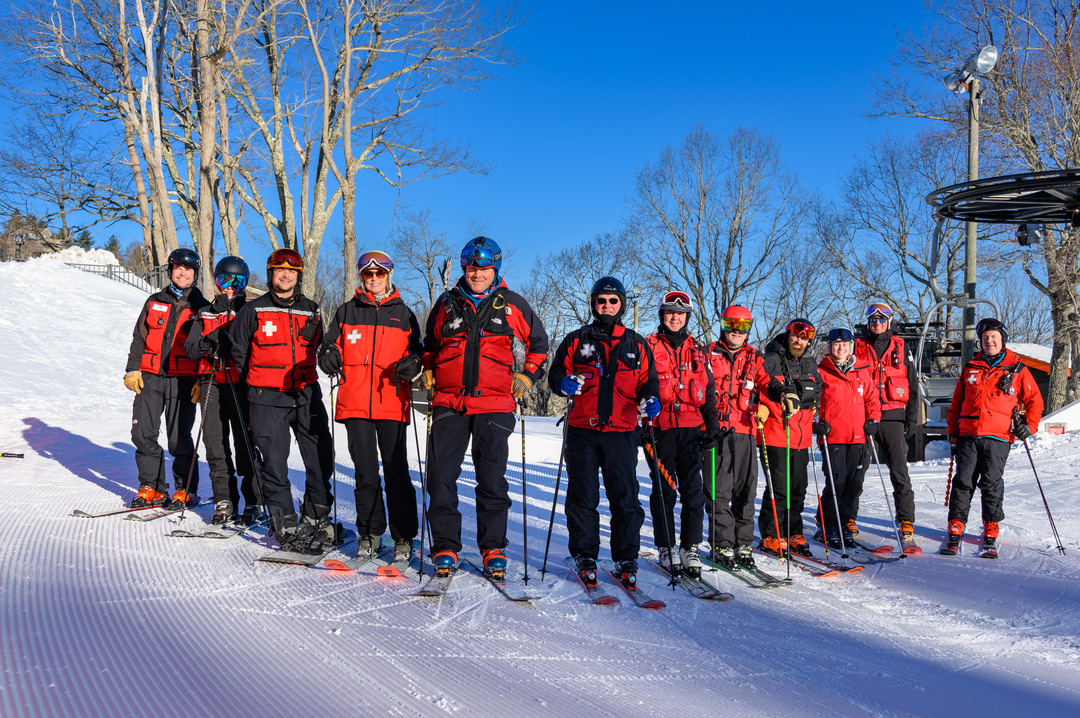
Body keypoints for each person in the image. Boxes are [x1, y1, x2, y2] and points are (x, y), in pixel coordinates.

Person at [421, 237, 548, 577]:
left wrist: (527, 375)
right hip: (450, 402)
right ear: (465, 268)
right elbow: (430, 345)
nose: (478, 274)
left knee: (491, 478)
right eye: (472, 268)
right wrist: (429, 367)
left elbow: (539, 343)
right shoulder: (446, 303)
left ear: (496, 269)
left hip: (494, 404)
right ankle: (445, 545)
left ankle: (492, 546)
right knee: (441, 476)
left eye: (484, 268)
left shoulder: (511, 304)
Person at [548, 276, 660, 588]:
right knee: (583, 497)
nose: (607, 306)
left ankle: (626, 557)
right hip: (582, 431)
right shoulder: (576, 339)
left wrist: (652, 399)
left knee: (625, 497)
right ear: (594, 304)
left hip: (621, 432)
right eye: (601, 300)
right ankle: (585, 555)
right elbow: (555, 374)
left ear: (622, 304)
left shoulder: (637, 344)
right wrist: (562, 383)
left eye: (613, 301)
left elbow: (648, 382)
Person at [229, 248, 337, 553]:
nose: (286, 275)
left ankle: (317, 517)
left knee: (320, 459)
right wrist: (252, 386)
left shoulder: (312, 309)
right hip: (266, 398)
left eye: (291, 272)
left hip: (306, 395)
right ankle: (285, 522)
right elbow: (239, 354)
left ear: (298, 276)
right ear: (270, 274)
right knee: (274, 464)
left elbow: (321, 345)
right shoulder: (253, 310)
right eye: (279, 271)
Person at [318, 250, 423, 561]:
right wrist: (326, 356)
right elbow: (328, 345)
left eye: (379, 274)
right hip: (355, 404)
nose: (374, 279)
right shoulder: (346, 311)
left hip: (392, 402)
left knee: (396, 471)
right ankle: (370, 533)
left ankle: (403, 537)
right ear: (361, 276)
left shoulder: (404, 314)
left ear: (389, 275)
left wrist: (414, 364)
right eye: (368, 274)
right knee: (365, 473)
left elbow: (419, 354)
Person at [944, 318, 1043, 556]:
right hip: (969, 433)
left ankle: (991, 525)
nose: (989, 341)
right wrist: (952, 432)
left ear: (1002, 340)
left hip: (998, 437)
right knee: (963, 481)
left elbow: (1035, 401)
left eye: (994, 337)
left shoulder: (1017, 369)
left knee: (991, 483)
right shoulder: (971, 367)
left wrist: (1029, 426)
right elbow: (956, 403)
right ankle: (956, 524)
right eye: (986, 337)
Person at [124, 247, 208, 509]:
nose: (183, 273)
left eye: (188, 269)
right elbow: (140, 337)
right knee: (142, 432)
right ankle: (152, 486)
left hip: (183, 379)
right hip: (150, 376)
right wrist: (132, 368)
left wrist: (201, 379)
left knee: (178, 437)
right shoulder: (153, 301)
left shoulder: (202, 307)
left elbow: (207, 345)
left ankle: (185, 489)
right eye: (178, 268)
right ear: (171, 271)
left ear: (195, 274)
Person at [643, 291, 719, 578]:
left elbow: (709, 391)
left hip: (691, 429)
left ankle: (690, 547)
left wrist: (712, 426)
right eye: (670, 312)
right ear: (662, 315)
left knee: (694, 492)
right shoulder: (647, 346)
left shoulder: (698, 350)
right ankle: (666, 547)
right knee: (664, 491)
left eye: (680, 313)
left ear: (687, 316)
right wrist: (640, 427)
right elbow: (635, 387)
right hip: (659, 429)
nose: (675, 317)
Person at [184, 256, 261, 526]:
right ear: (216, 282)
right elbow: (190, 348)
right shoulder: (205, 313)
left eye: (236, 282)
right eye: (223, 281)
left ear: (245, 284)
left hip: (240, 383)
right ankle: (224, 500)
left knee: (245, 442)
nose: (229, 288)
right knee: (215, 444)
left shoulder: (250, 311)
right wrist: (210, 339)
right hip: (211, 382)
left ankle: (254, 499)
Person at [705, 305, 783, 571]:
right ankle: (721, 543)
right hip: (717, 431)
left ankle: (743, 543)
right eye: (731, 325)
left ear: (749, 329)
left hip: (746, 431)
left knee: (745, 491)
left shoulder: (754, 357)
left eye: (743, 327)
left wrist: (783, 395)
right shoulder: (707, 354)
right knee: (718, 491)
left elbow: (768, 383)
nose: (736, 332)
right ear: (723, 326)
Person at [853, 302, 919, 545]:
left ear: (889, 321)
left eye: (882, 319)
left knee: (899, 472)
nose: (877, 323)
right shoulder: (856, 346)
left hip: (892, 417)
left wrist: (912, 419)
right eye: (873, 319)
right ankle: (848, 518)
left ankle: (906, 521)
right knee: (856, 471)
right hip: (863, 418)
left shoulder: (902, 346)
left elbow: (913, 387)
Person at [757, 318, 822, 558]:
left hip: (802, 436)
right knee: (779, 488)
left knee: (798, 488)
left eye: (804, 338)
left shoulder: (809, 362)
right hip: (775, 433)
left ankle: (793, 531)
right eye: (796, 336)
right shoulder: (770, 359)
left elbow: (818, 388)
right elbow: (759, 386)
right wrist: (760, 408)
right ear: (787, 334)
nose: (799, 341)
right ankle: (771, 534)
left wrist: (815, 404)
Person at [815, 328, 880, 547]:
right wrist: (817, 423)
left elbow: (872, 398)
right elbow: (813, 401)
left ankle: (844, 523)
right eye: (836, 344)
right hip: (832, 436)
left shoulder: (862, 370)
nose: (840, 348)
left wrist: (873, 419)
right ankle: (827, 525)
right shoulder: (822, 371)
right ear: (830, 347)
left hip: (858, 436)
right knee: (836, 482)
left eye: (845, 344)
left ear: (851, 346)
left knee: (854, 483)